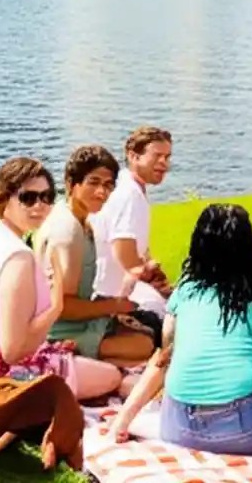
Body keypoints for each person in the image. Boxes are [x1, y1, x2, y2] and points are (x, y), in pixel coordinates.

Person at [105, 204, 252, 455]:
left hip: (179, 425)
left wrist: (123, 419)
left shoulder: (185, 292)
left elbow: (163, 360)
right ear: (250, 246)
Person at [0, 156, 122, 402]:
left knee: (87, 362)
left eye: (47, 197)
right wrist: (55, 307)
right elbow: (13, 352)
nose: (39, 206)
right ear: (2, 197)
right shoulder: (18, 258)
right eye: (28, 198)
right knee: (112, 376)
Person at [33, 146, 157, 365]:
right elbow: (63, 306)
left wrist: (112, 307)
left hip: (81, 322)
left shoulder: (79, 220)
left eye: (108, 185)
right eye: (94, 182)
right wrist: (113, 306)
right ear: (72, 184)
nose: (102, 192)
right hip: (59, 333)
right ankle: (76, 365)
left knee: (147, 329)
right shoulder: (67, 232)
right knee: (144, 345)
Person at [89, 127, 174, 316]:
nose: (164, 163)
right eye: (157, 156)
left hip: (115, 284)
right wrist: (149, 277)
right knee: (166, 313)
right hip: (109, 291)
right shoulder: (129, 195)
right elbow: (123, 250)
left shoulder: (130, 188)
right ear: (133, 156)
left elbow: (137, 248)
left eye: (167, 157)